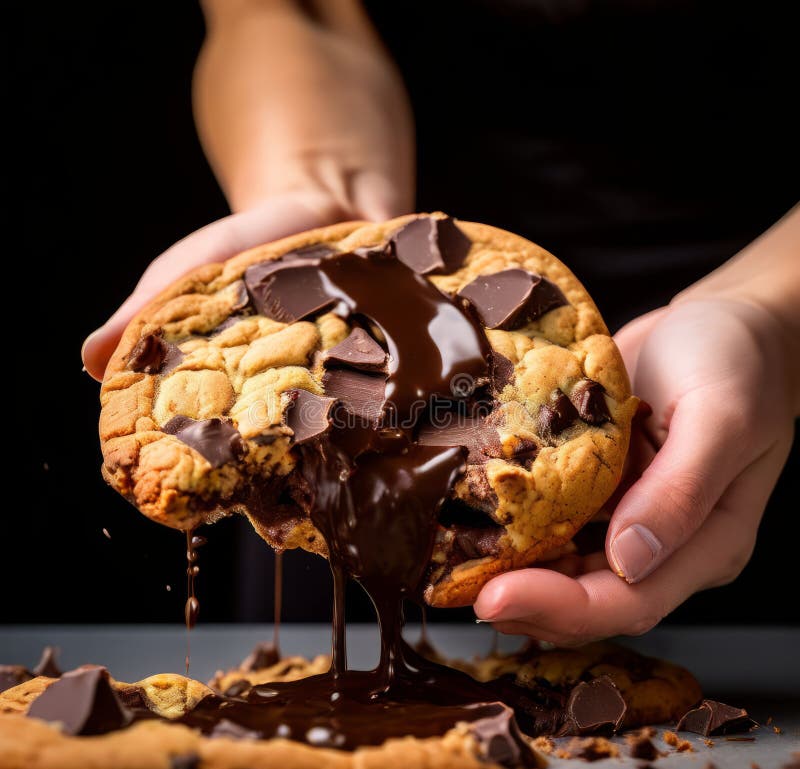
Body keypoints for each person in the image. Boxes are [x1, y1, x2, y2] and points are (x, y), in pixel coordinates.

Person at [81, 0, 798, 645]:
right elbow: (292, 12)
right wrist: (324, 198)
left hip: (723, 388)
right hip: (362, 296)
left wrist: (769, 315)